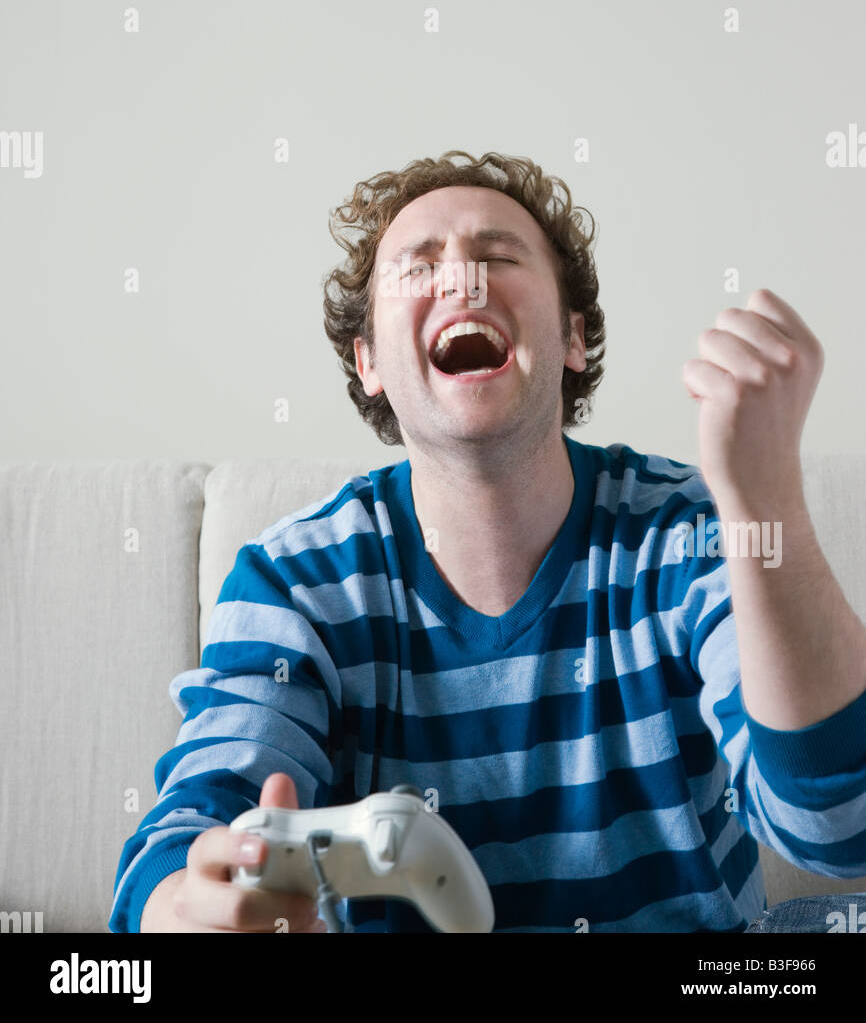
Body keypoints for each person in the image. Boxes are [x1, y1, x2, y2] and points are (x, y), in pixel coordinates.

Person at [109, 150, 866, 933]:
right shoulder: (295, 582)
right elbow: (188, 833)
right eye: (418, 265)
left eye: (500, 257)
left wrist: (767, 502)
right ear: (368, 362)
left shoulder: (688, 530)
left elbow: (839, 828)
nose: (463, 280)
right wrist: (189, 908)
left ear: (573, 338)